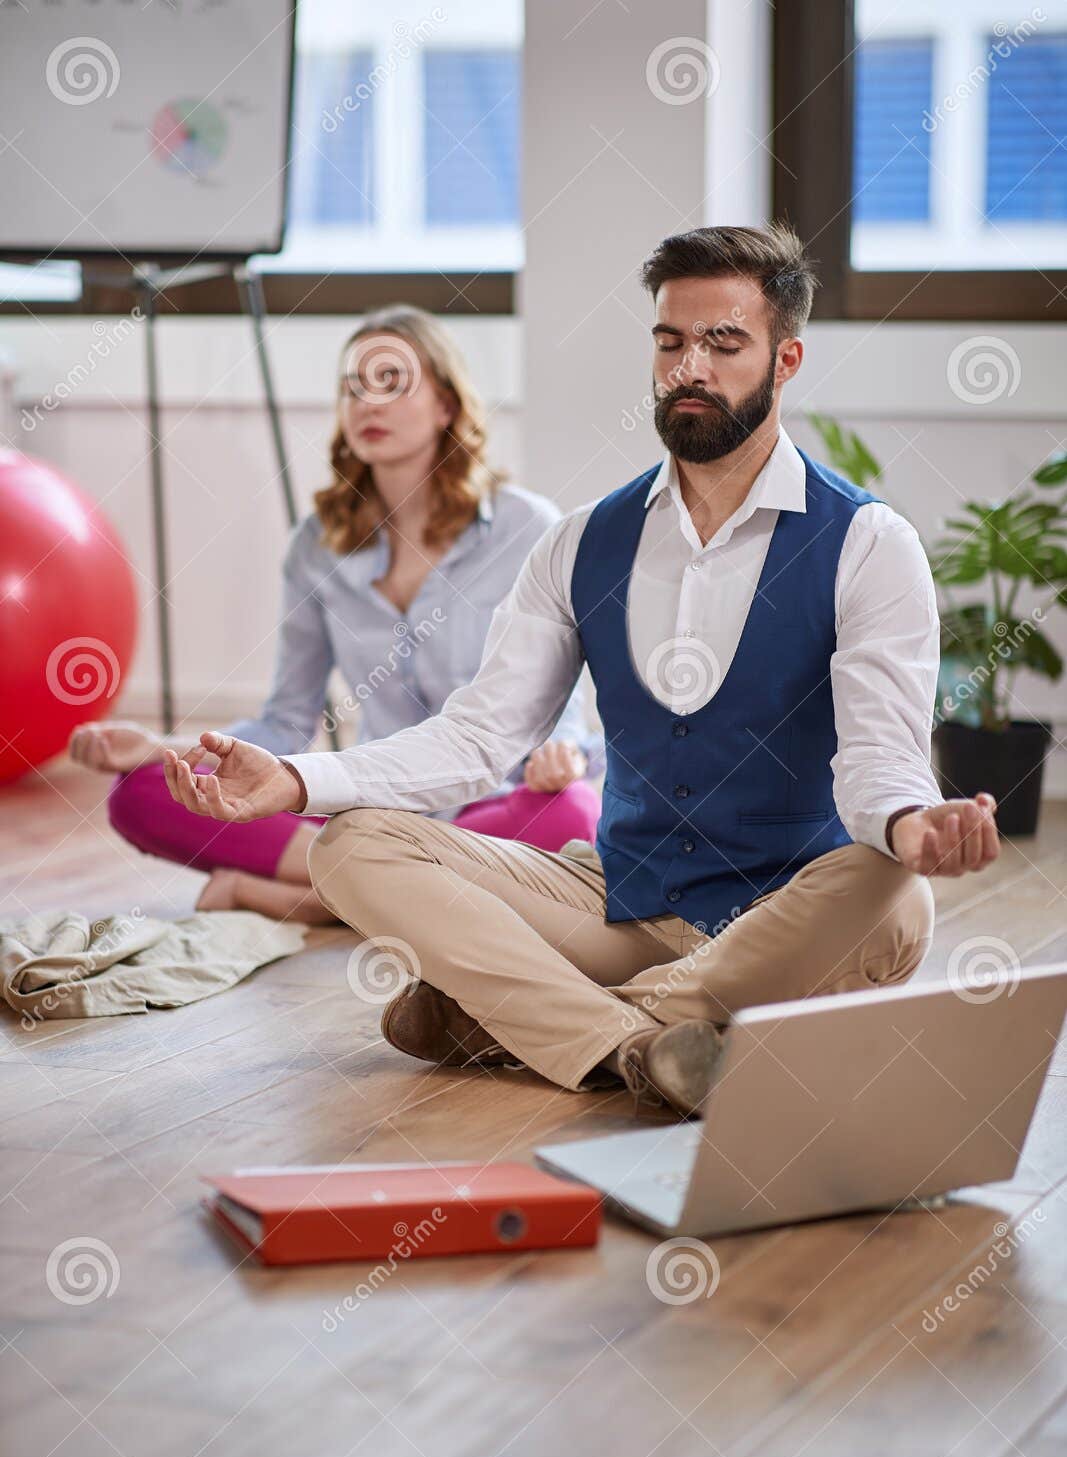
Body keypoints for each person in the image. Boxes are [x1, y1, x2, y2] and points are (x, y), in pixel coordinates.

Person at [161, 225, 1000, 1115]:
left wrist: (912, 825)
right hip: (619, 906)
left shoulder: (868, 544)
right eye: (671, 341)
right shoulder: (581, 542)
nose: (690, 368)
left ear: (784, 358)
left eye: (724, 344)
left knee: (892, 894)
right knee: (353, 844)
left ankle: (511, 1022)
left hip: (784, 910)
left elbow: (878, 756)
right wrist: (296, 776)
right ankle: (637, 1047)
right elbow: (482, 734)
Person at [70, 306, 601, 923]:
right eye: (354, 386)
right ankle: (389, 898)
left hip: (499, 803)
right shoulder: (313, 547)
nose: (369, 403)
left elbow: (556, 698)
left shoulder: (525, 526)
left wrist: (564, 756)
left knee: (570, 816)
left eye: (393, 382)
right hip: (371, 811)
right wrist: (163, 747)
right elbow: (287, 722)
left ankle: (310, 899)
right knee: (141, 793)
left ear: (447, 405)